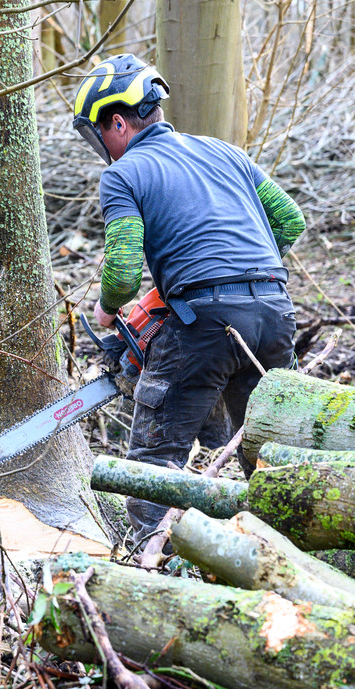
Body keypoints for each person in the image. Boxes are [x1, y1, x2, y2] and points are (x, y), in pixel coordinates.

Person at [71, 53, 306, 548]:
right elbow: (289, 221)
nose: (101, 146)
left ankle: (151, 566)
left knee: (155, 462)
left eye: (98, 132)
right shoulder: (226, 153)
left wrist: (109, 308)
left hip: (203, 324)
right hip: (275, 309)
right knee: (268, 451)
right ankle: (282, 552)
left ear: (117, 120)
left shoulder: (123, 174)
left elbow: (121, 268)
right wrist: (242, 274)